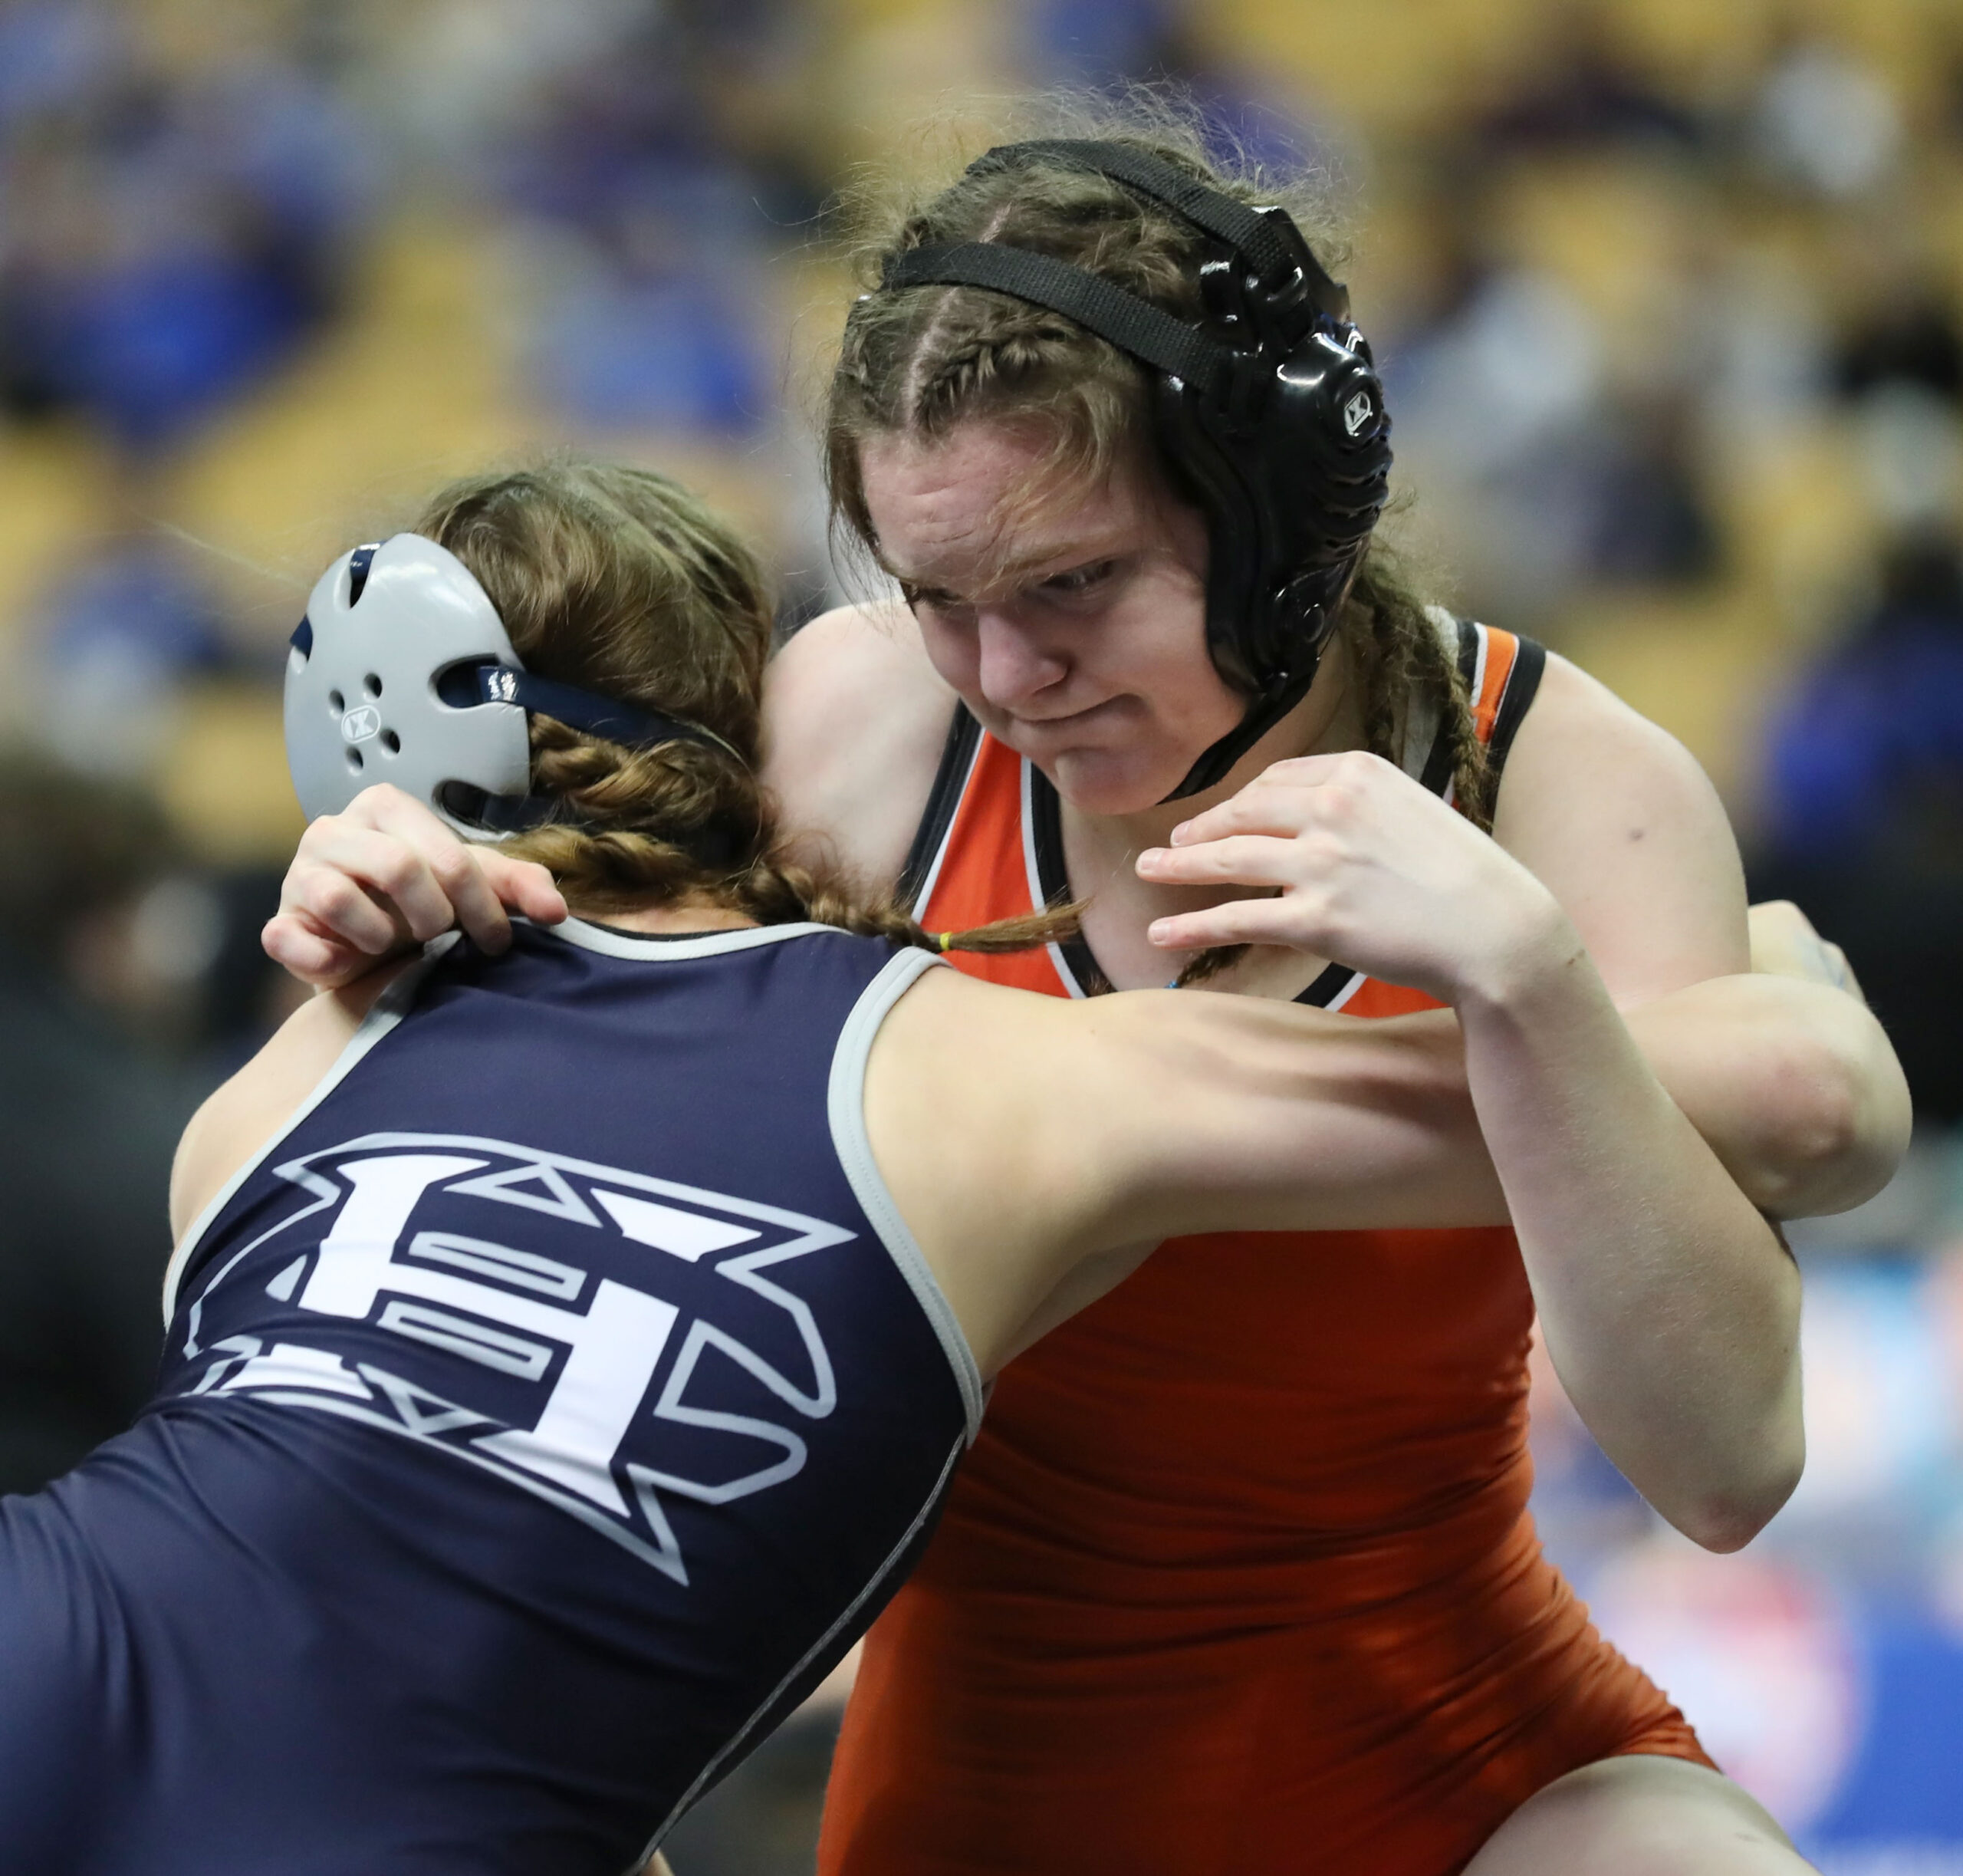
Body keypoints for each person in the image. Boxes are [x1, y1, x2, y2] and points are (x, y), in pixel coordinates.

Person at [264, 114, 1910, 1876]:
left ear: (1285, 514)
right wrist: (402, 944)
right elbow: (578, 1171)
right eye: (936, 594)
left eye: (1071, 584)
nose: (1004, 673)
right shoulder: (875, 722)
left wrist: (1519, 971)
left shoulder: (1561, 780)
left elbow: (1722, 1472)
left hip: (1459, 1756)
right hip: (975, 1793)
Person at [1, 458, 1851, 1874]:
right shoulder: (993, 1071)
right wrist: (1769, 992)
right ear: (764, 763)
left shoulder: (280, 1079)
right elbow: (1777, 1109)